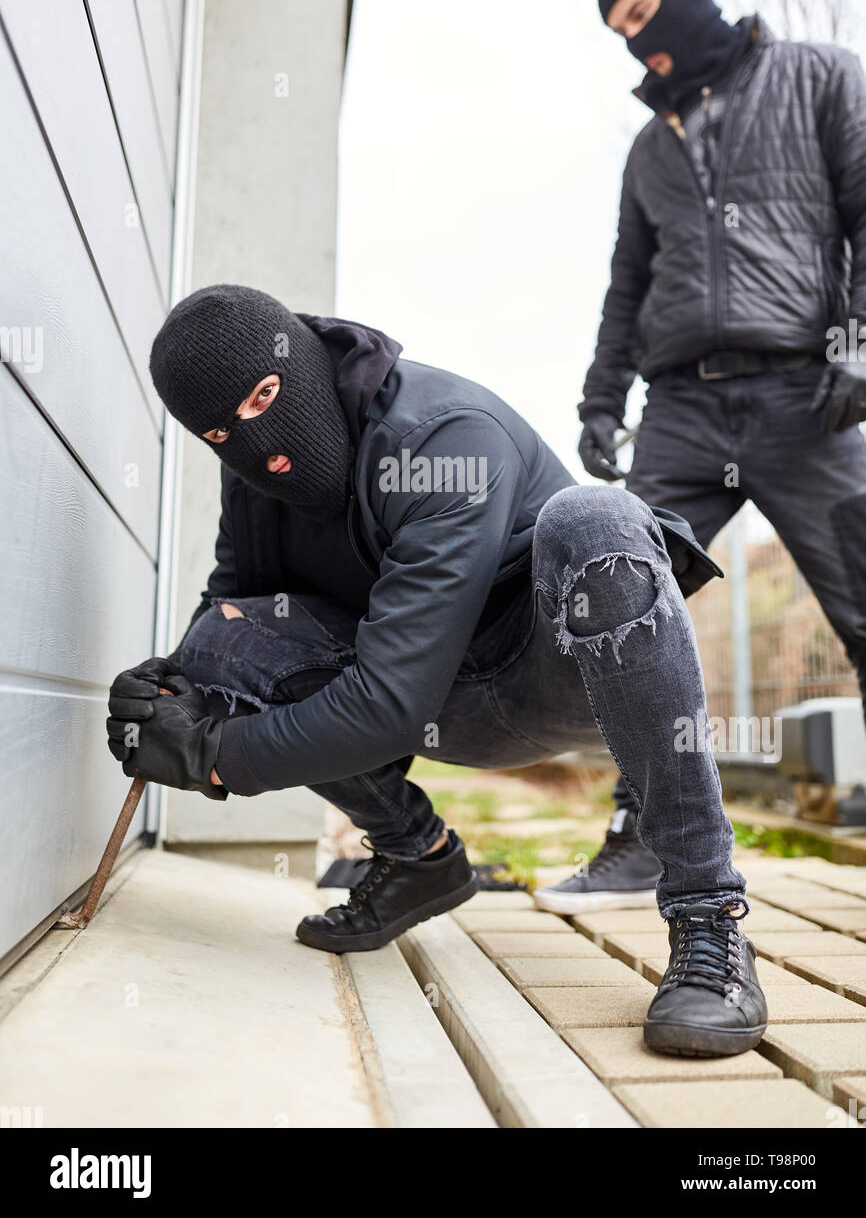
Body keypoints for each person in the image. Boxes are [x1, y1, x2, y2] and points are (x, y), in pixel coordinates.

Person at [106, 282, 767, 1057]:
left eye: (265, 397)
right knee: (215, 647)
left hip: (555, 673)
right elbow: (233, 606)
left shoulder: (441, 435)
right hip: (439, 697)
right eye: (224, 431)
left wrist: (216, 761)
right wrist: (172, 695)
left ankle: (708, 920)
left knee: (600, 516)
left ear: (306, 359)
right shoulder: (253, 478)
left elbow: (388, 706)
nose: (263, 444)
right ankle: (416, 858)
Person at [539, 0, 866, 917]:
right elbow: (625, 286)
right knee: (621, 598)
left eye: (639, 15)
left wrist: (856, 338)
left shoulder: (817, 78)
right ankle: (640, 837)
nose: (636, 45)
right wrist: (601, 401)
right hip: (679, 410)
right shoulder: (649, 149)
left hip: (802, 397)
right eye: (619, 34)